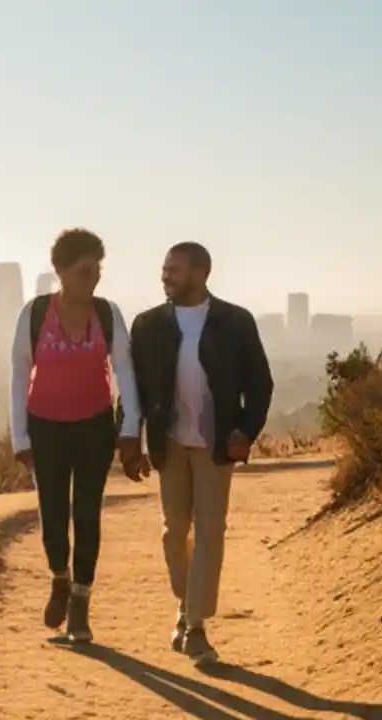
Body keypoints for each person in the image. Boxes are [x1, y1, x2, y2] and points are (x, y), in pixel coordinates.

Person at [129, 242, 273, 666]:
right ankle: (184, 602)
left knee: (210, 530)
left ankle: (195, 626)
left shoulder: (235, 321)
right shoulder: (149, 324)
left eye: (173, 269)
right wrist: (130, 441)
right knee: (175, 530)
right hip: (169, 442)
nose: (164, 275)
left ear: (200, 272)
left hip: (215, 445)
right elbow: (134, 390)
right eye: (164, 268)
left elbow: (260, 384)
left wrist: (245, 431)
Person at [10, 228, 145, 644]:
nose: (93, 278)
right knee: (52, 513)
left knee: (87, 513)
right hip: (45, 428)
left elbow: (126, 373)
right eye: (85, 270)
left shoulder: (108, 314)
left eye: (97, 269)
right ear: (61, 272)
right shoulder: (35, 315)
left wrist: (129, 432)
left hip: (93, 427)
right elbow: (18, 376)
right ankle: (59, 578)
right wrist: (21, 441)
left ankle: (81, 603)